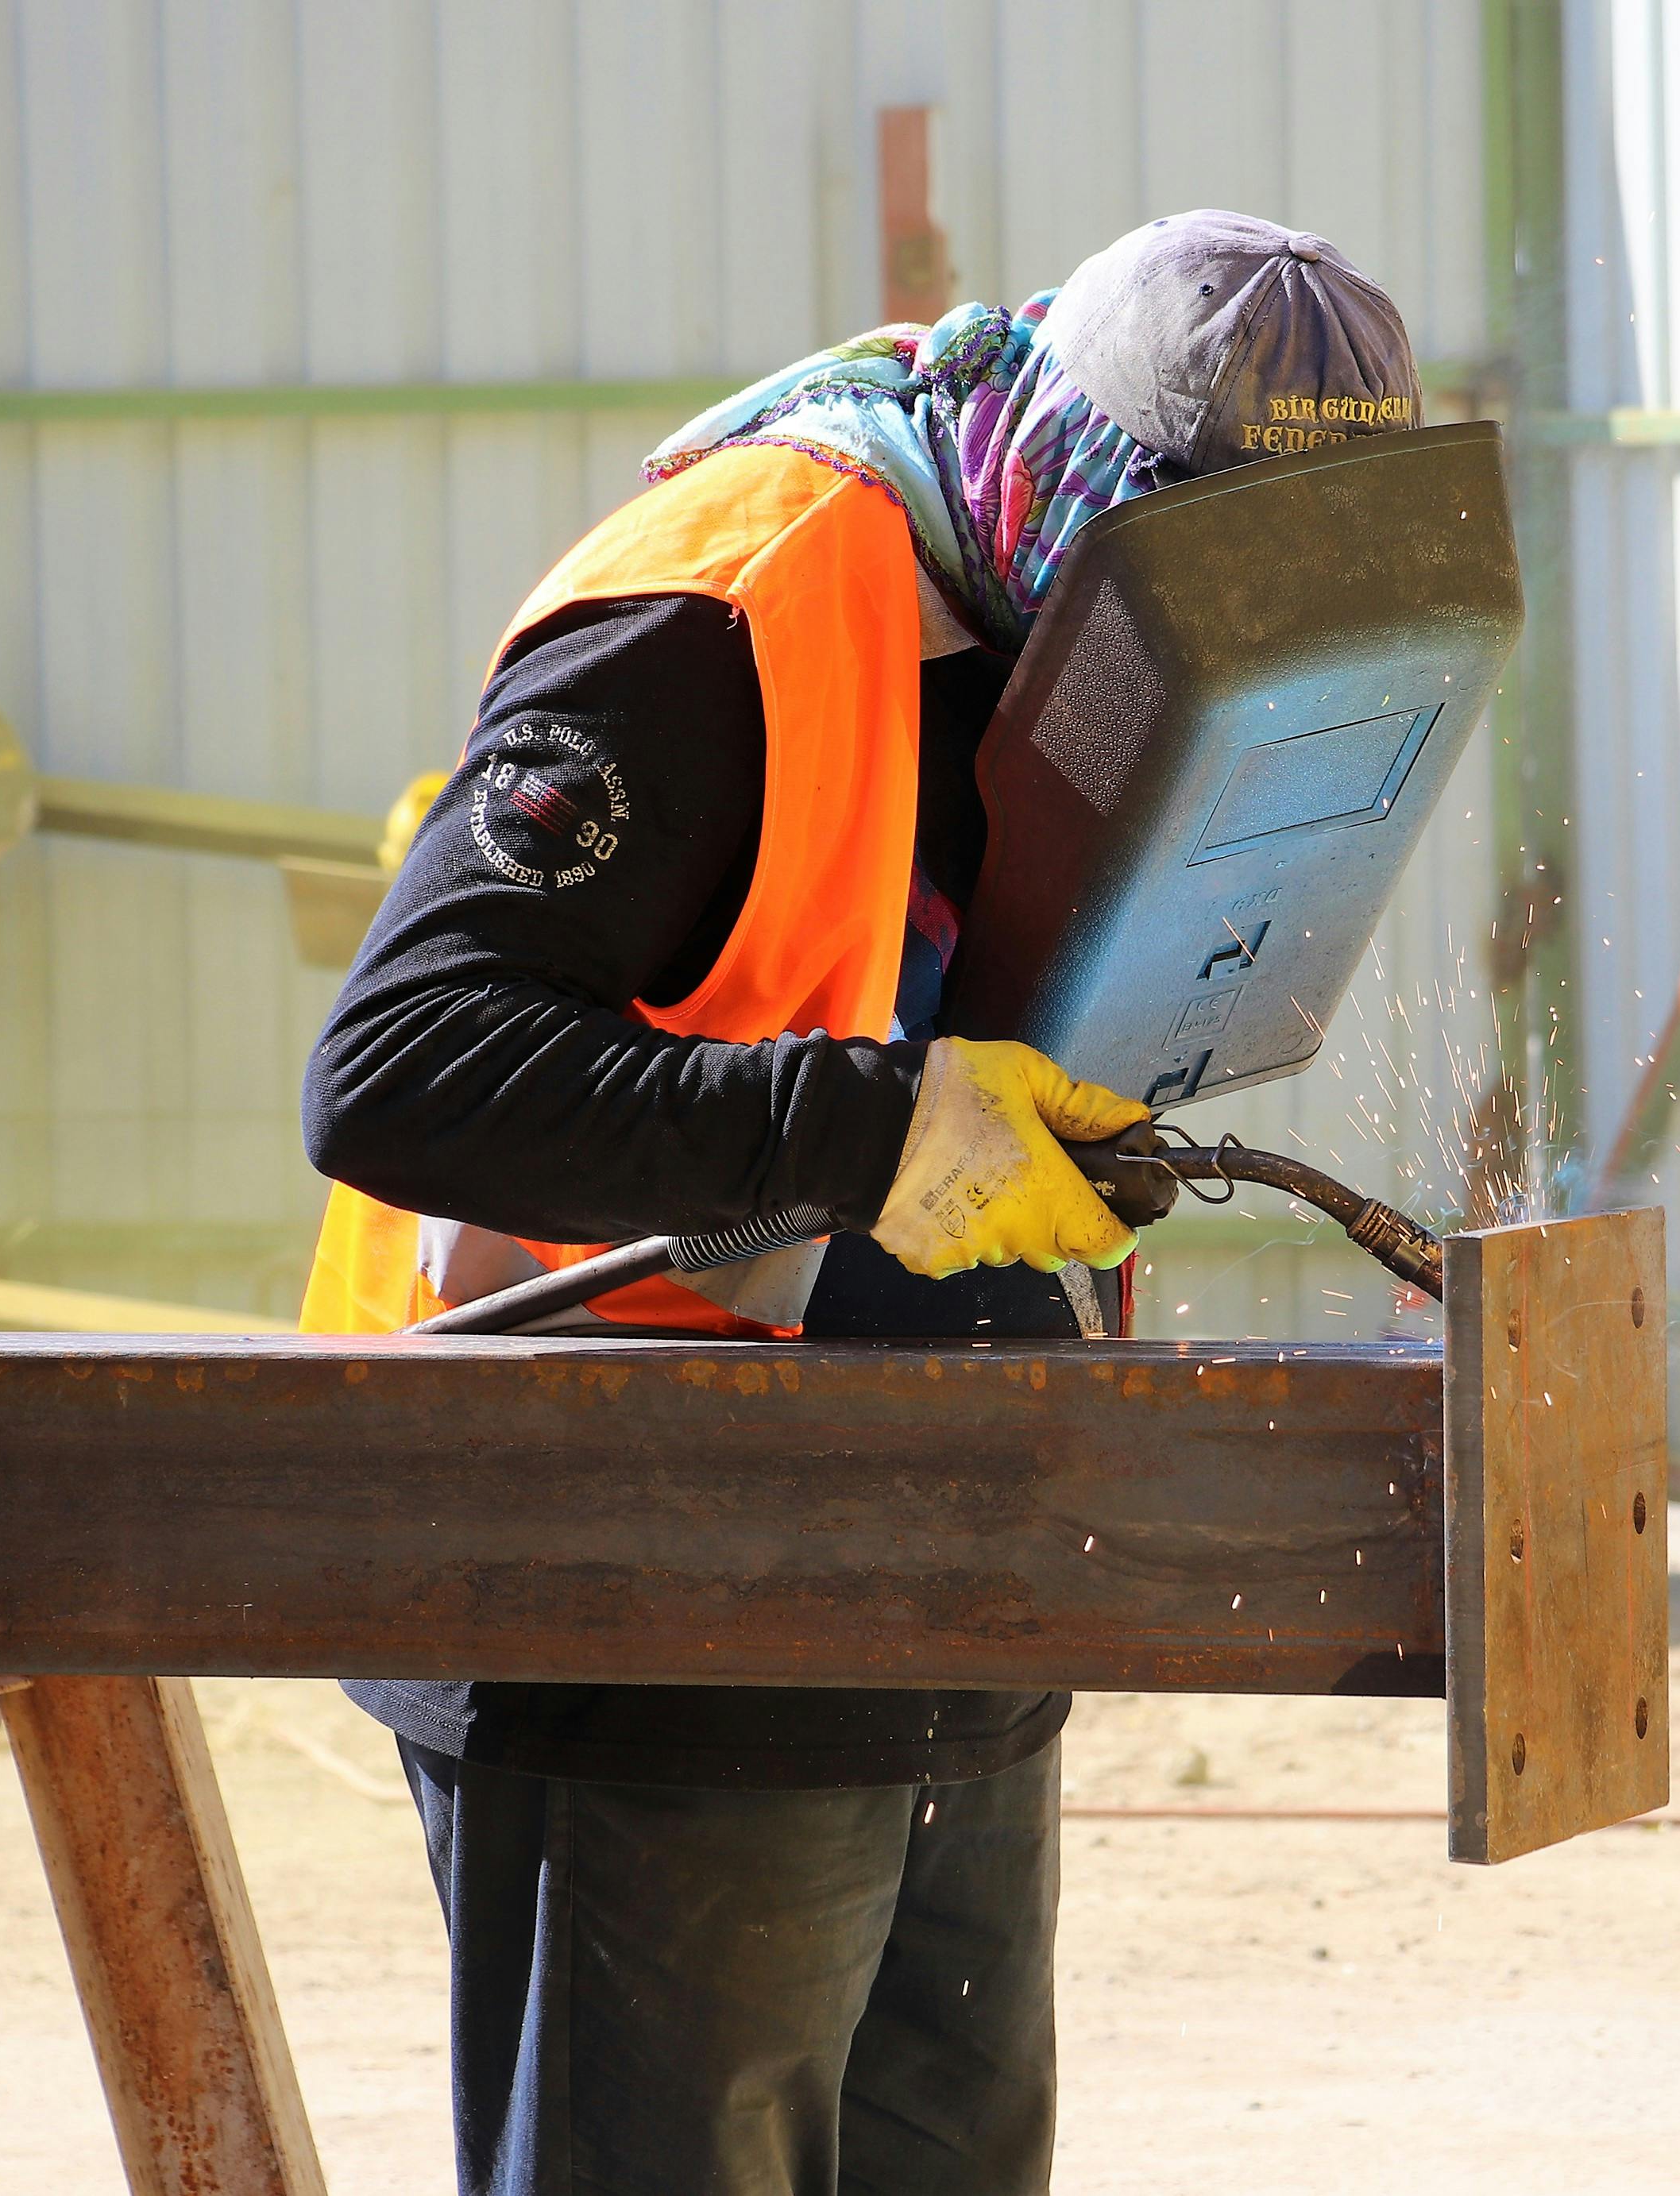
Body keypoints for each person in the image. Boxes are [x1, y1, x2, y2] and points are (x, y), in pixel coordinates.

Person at [299, 209, 1423, 2196]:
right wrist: (878, 1131)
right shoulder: (718, 603)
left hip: (950, 1564)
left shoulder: (1037, 606)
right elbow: (400, 1073)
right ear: (1081, 481)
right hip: (642, 1589)